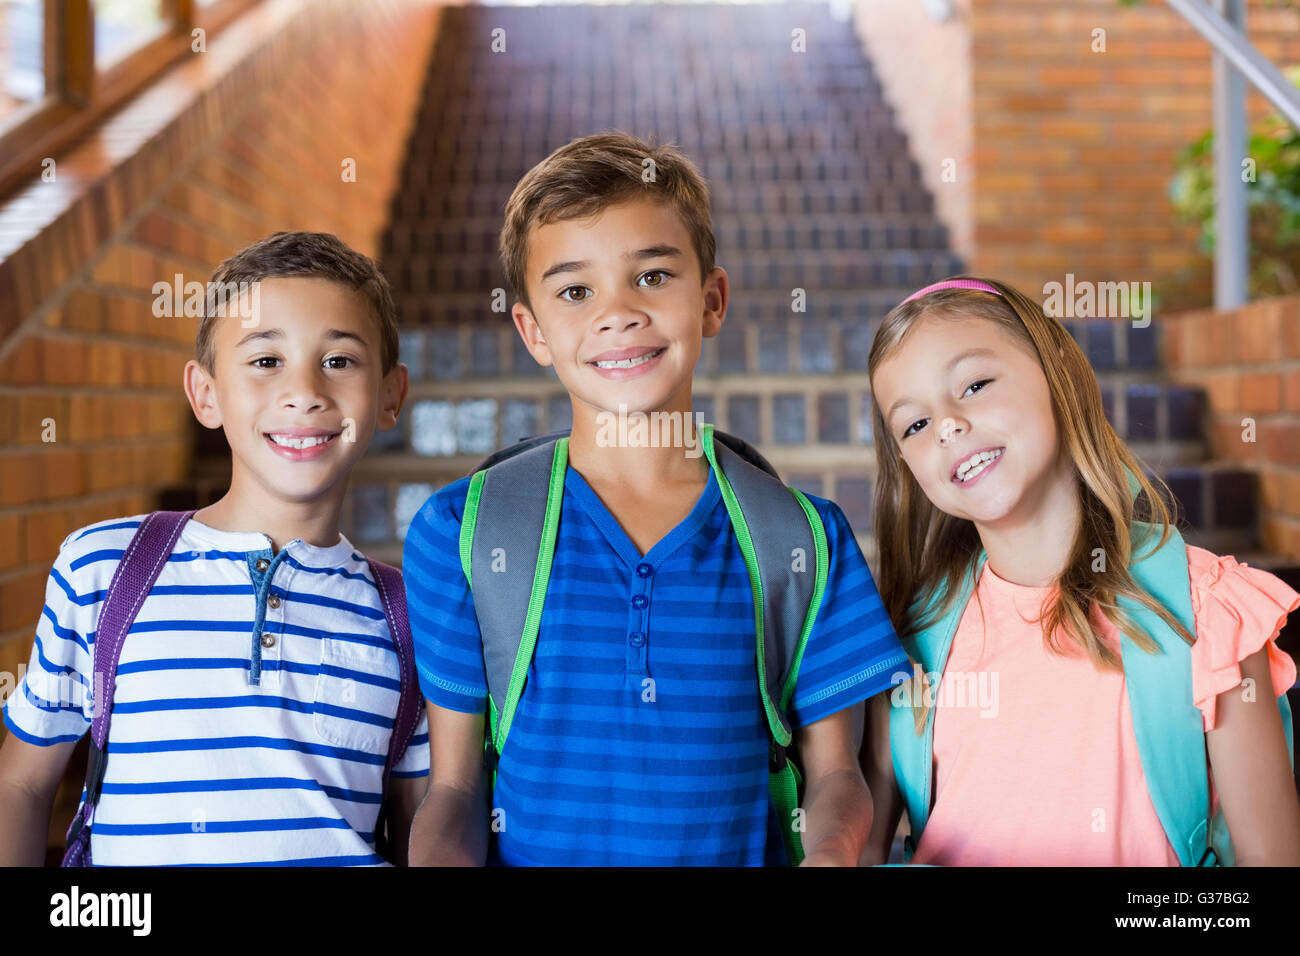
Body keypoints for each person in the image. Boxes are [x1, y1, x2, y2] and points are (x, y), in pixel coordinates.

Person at [404, 132, 909, 866]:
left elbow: (836, 775)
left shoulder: (802, 537)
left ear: (712, 300)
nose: (619, 314)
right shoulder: (463, 531)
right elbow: (453, 793)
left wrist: (831, 851)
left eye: (653, 277)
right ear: (532, 331)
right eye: (576, 291)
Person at [0, 231, 429, 866]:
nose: (304, 391)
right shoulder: (104, 569)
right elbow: (21, 782)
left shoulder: (410, 617)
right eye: (264, 361)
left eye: (339, 360)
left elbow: (421, 824)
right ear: (206, 394)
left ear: (390, 395)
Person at [860, 276, 1300, 866]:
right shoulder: (907, 640)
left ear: (1057, 371)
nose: (946, 425)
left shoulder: (1205, 614)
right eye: (913, 424)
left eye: (974, 384)